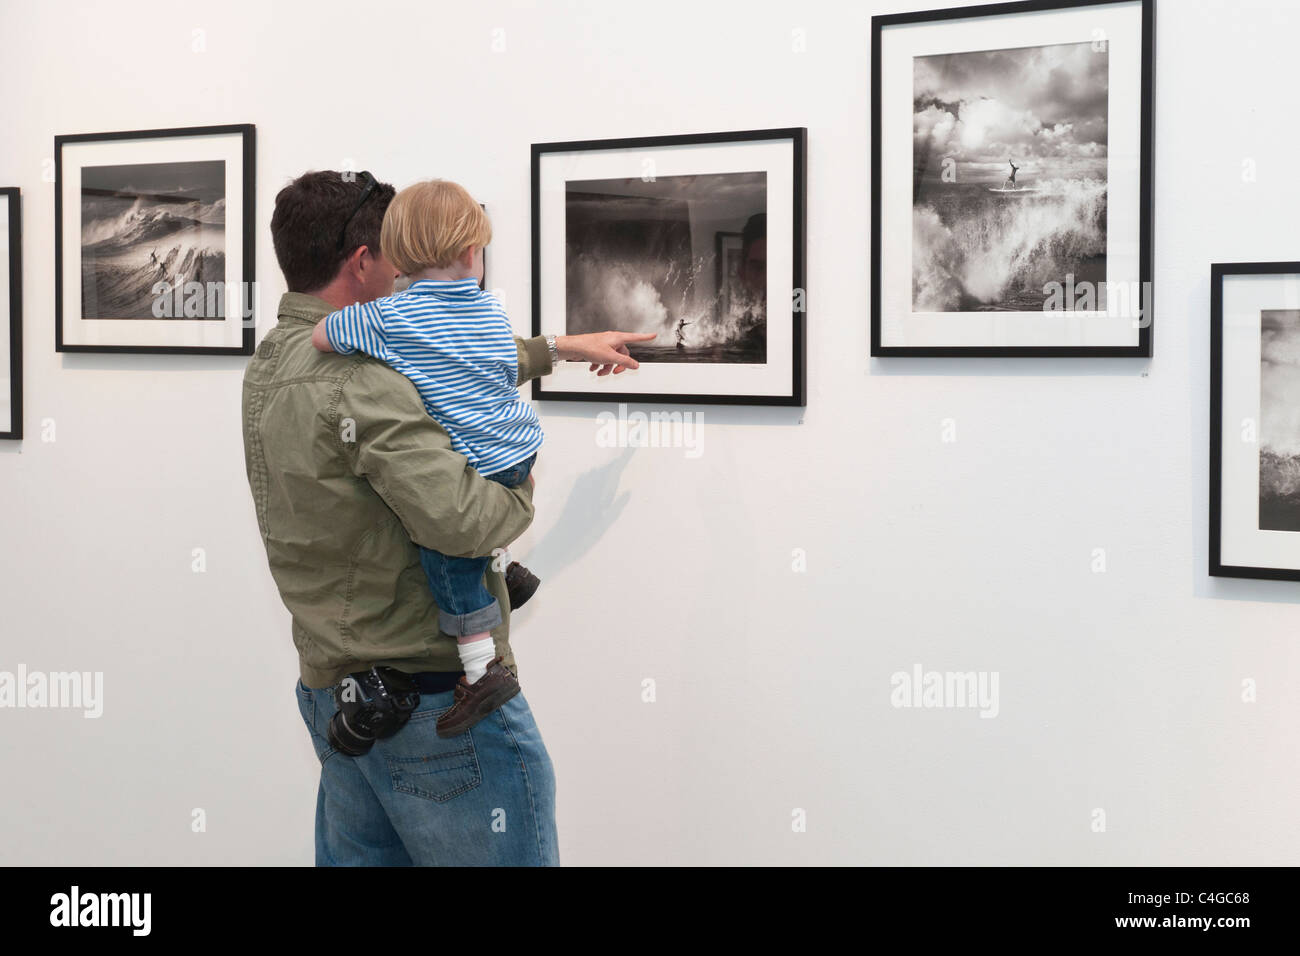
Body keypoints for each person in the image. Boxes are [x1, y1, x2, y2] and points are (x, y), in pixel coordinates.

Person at [242, 169, 650, 865]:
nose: (406, 272)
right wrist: (521, 489)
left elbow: (445, 357)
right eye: (395, 258)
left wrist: (560, 348)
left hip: (337, 696)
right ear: (364, 261)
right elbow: (462, 521)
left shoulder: (274, 360)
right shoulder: (366, 382)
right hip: (435, 714)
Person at [307, 179, 619, 739]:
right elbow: (498, 366)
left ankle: (480, 671)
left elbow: (325, 336)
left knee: (441, 551)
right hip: (518, 452)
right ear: (472, 254)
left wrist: (346, 329)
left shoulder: (393, 319)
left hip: (475, 467)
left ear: (395, 256)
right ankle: (503, 569)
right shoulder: (492, 315)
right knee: (472, 510)